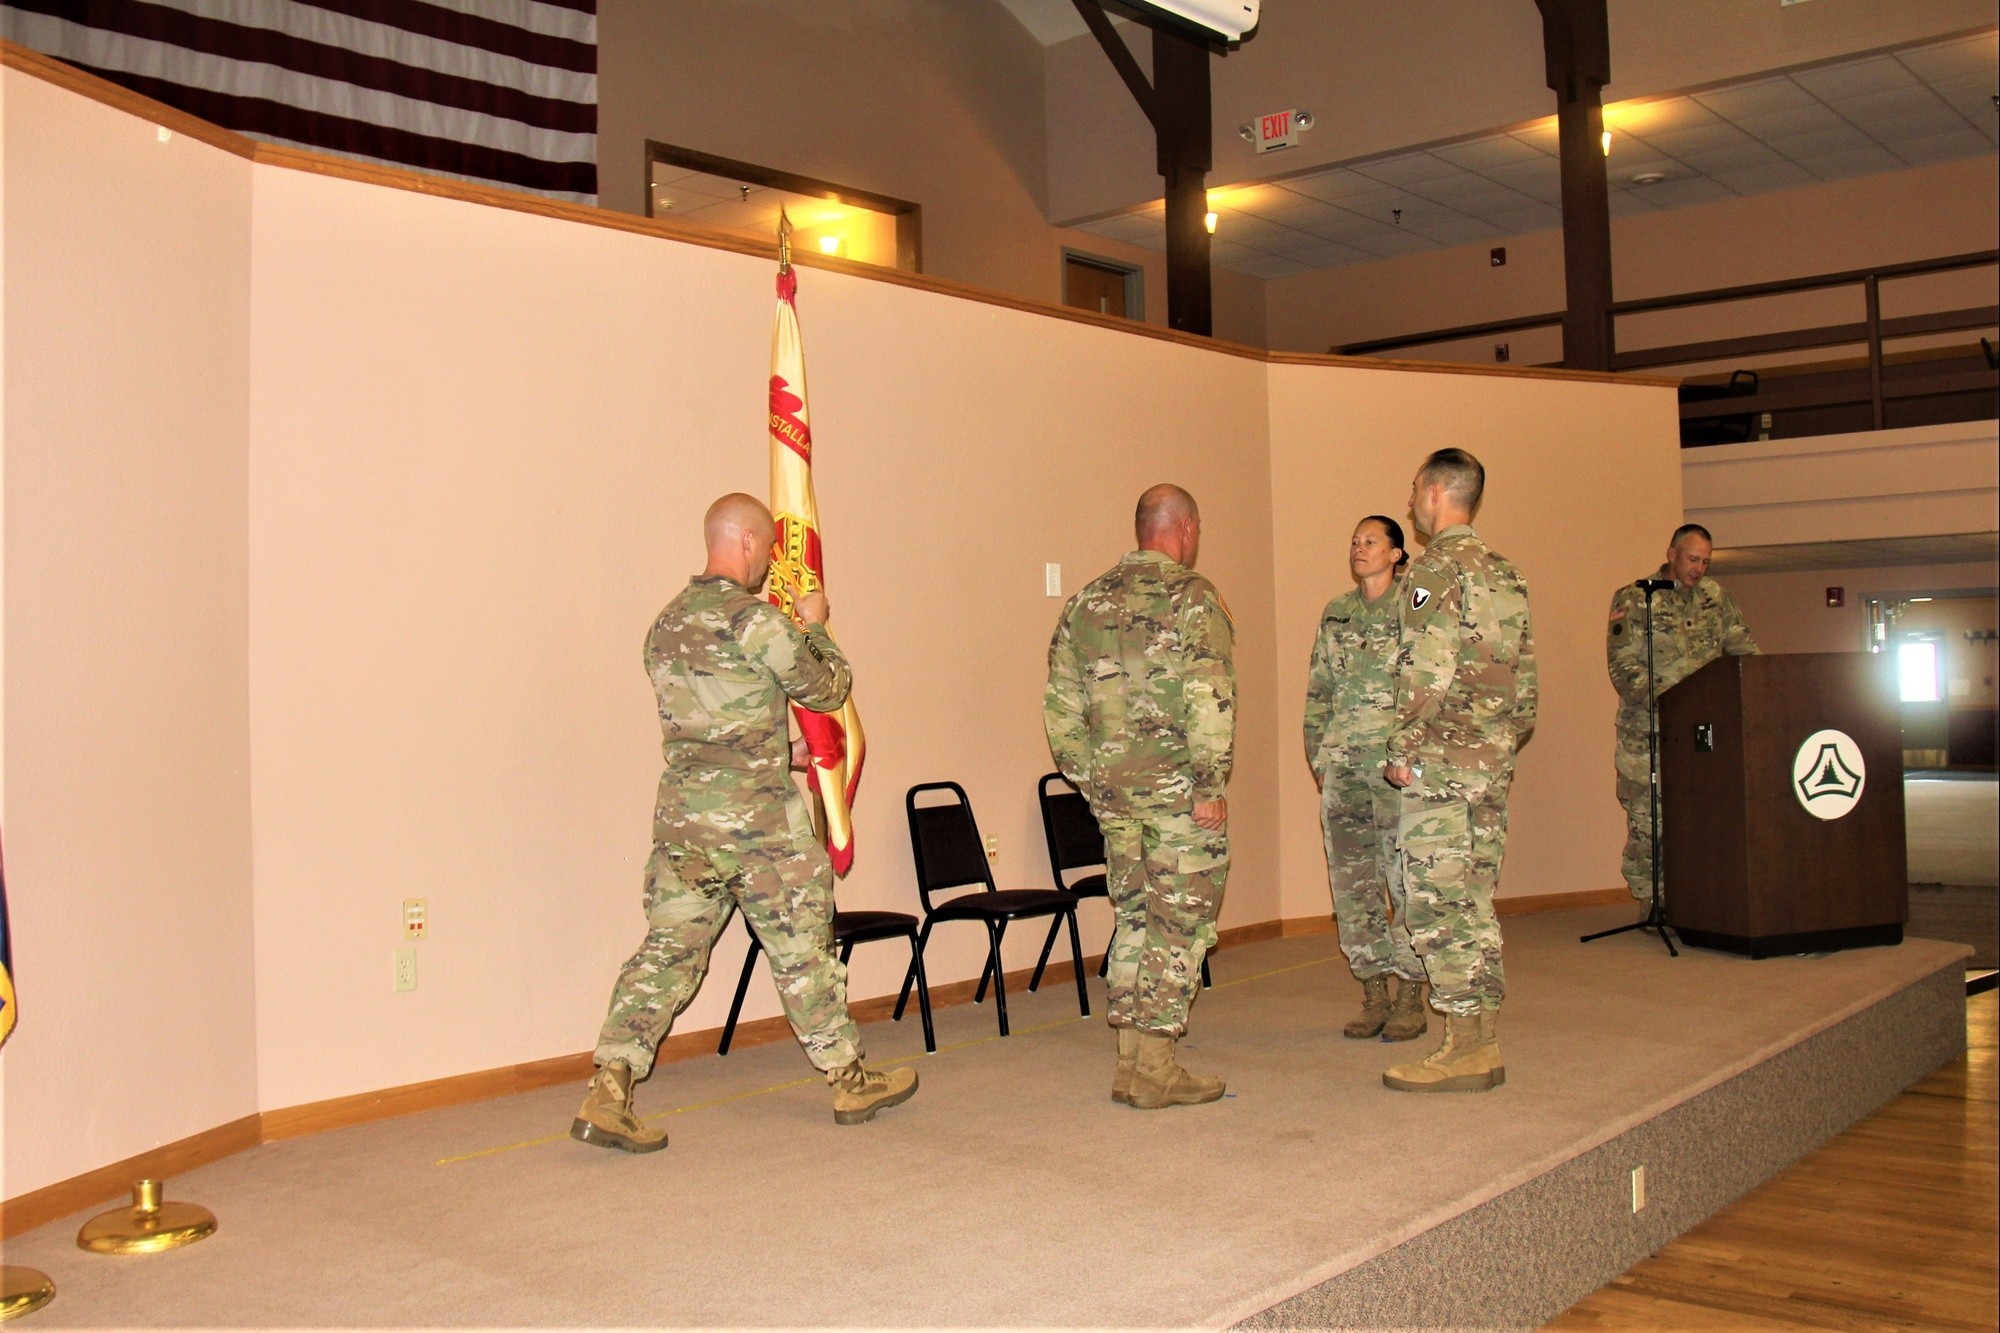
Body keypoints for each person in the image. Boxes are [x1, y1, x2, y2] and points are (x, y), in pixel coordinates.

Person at [571, 493, 916, 1152]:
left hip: (685, 825)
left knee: (666, 954)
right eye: (767, 554)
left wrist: (775, 751)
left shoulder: (664, 625)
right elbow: (827, 686)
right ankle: (849, 1077)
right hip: (757, 829)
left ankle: (607, 1088)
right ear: (752, 545)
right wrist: (813, 623)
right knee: (803, 952)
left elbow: (710, 727)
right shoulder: (756, 623)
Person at [1045, 484, 1236, 1110]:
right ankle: (1156, 1067)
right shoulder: (1192, 596)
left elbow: (1061, 709)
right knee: (1179, 924)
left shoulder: (1086, 602)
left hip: (1115, 796)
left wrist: (1093, 777)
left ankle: (1130, 1062)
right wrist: (1208, 784)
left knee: (1132, 919)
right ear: (1185, 528)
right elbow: (1210, 697)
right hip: (1179, 794)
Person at [1380, 449, 1536, 1094]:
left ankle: (1466, 1044)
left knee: (1437, 903)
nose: (1413, 496)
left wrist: (1401, 747)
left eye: (1417, 486)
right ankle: (1479, 1034)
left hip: (1441, 764)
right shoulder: (1505, 573)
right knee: (1472, 899)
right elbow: (1524, 689)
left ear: (1439, 493)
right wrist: (1498, 743)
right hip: (1490, 762)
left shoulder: (1435, 571)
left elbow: (1426, 668)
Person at [1304, 516, 1429, 1043]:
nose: (1359, 549)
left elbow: (1429, 686)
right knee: (1353, 886)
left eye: (1370, 542)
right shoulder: (1337, 612)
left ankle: (1409, 996)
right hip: (1344, 769)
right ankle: (1374, 993)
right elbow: (1319, 692)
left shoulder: (1416, 608)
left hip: (1395, 771)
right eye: (1353, 541)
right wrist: (1320, 758)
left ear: (1397, 554)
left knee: (1403, 881)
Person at [1607, 523, 1758, 901]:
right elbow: (1624, 668)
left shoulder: (1716, 598)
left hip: (1703, 736)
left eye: (1706, 562)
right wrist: (1677, 700)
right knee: (1650, 824)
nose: (1699, 569)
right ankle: (1650, 899)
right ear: (1672, 554)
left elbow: (1743, 650)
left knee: (1702, 818)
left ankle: (1697, 900)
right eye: (1693, 559)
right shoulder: (1635, 597)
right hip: (1650, 734)